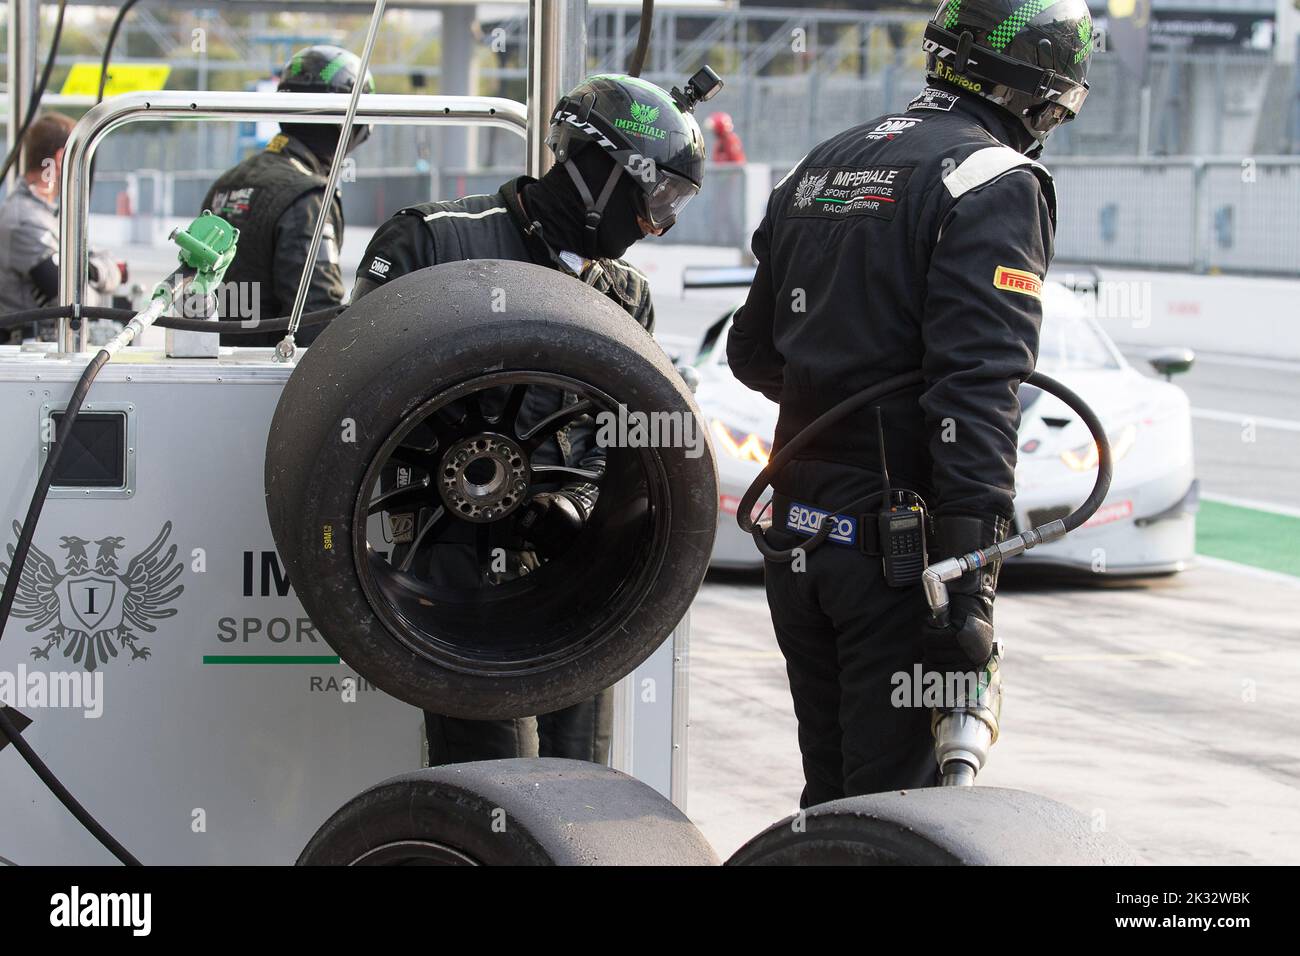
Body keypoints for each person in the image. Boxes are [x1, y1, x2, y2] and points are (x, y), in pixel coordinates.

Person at [727, 0, 1094, 806]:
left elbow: (749, 351)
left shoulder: (822, 163)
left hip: (795, 533)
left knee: (830, 803)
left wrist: (844, 402)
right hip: (901, 558)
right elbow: (978, 389)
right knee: (900, 817)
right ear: (1042, 93)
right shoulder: (995, 180)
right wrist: (969, 587)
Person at [351, 71, 711, 768]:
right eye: (658, 196)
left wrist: (577, 510)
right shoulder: (432, 242)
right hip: (450, 566)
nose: (655, 224)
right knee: (488, 776)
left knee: (580, 775)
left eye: (676, 205)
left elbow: (629, 442)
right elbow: (349, 402)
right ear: (603, 170)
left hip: (575, 569)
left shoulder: (624, 295)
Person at [201, 45, 374, 346]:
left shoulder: (225, 184)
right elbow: (315, 321)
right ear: (350, 122)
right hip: (267, 379)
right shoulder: (306, 197)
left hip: (214, 362)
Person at [0, 112, 125, 343]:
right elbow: (76, 300)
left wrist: (90, 271)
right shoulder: (23, 220)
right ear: (60, 160)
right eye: (78, 157)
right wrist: (92, 272)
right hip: (27, 358)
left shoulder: (50, 215)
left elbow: (111, 266)